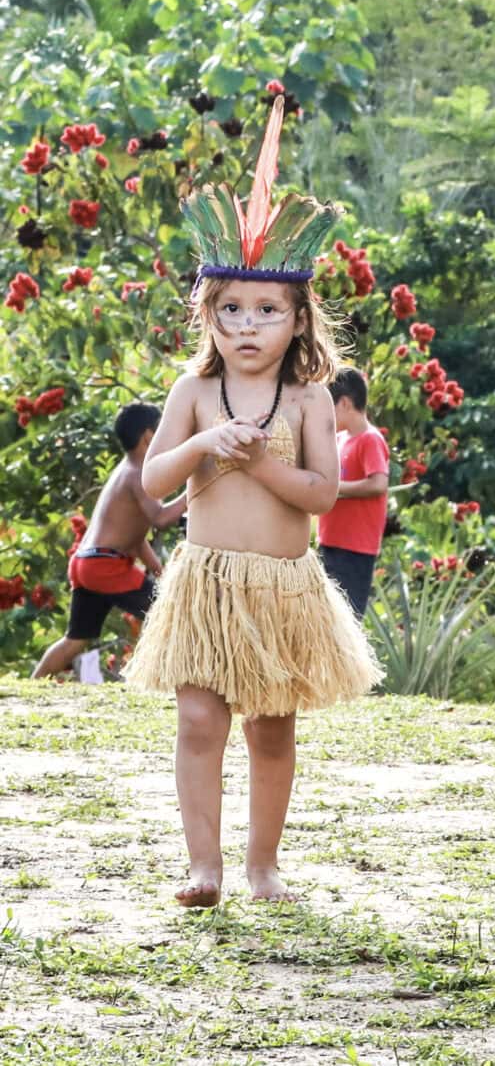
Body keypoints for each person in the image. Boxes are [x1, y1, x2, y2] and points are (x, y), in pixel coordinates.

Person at [126, 103, 382, 906]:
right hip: (206, 583)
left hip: (281, 586)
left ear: (299, 318)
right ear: (208, 314)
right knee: (200, 721)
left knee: (272, 729)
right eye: (231, 308)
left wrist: (261, 463)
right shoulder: (194, 389)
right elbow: (154, 482)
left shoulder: (309, 398)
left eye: (267, 310)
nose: (248, 324)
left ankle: (262, 865)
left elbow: (323, 493)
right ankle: (202, 866)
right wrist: (206, 443)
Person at [32, 403, 186, 680]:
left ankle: (35, 681)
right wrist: (194, 492)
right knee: (169, 612)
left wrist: (157, 568)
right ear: (149, 436)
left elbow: (135, 535)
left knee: (76, 639)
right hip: (106, 565)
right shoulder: (139, 472)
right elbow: (161, 519)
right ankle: (160, 679)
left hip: (87, 561)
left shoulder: (124, 469)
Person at [317, 368, 388, 619]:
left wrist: (334, 488)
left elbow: (378, 483)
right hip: (330, 541)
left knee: (348, 619)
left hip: (355, 548)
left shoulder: (370, 439)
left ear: (345, 403)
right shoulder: (339, 439)